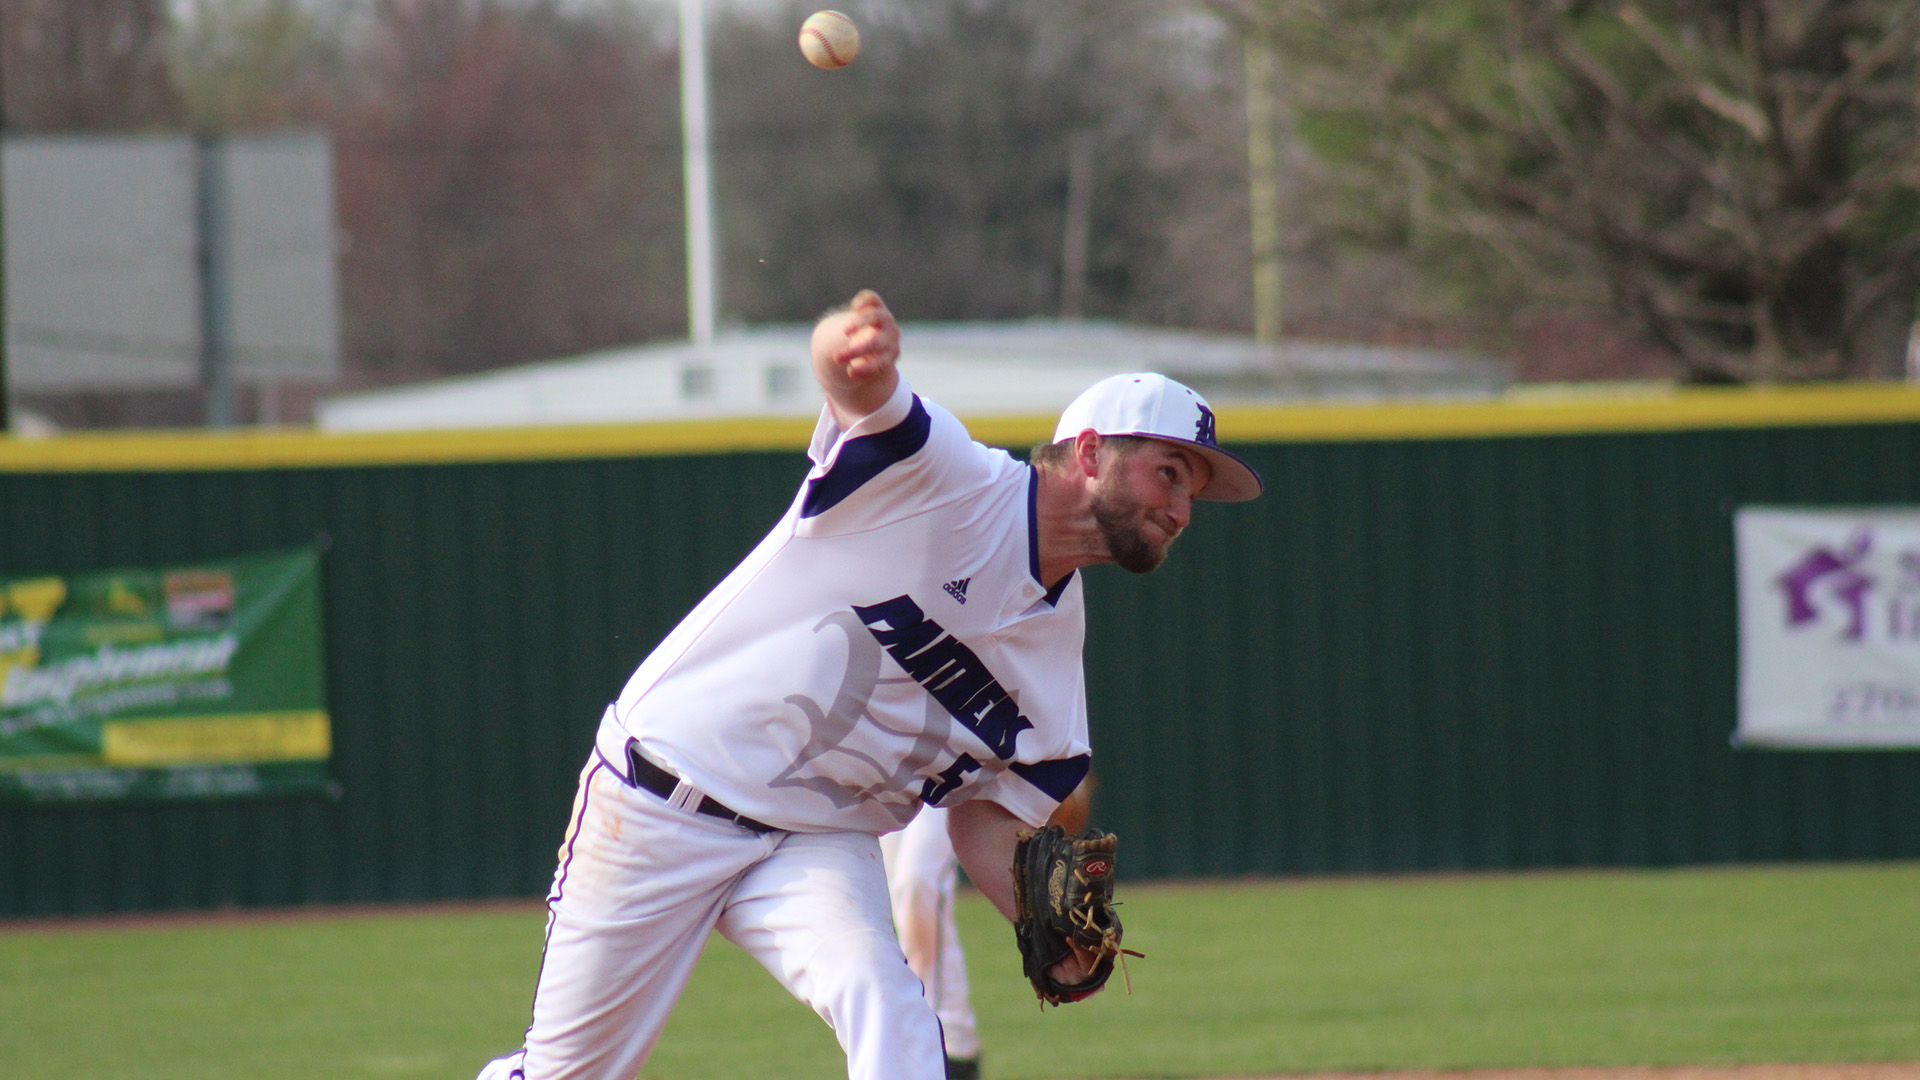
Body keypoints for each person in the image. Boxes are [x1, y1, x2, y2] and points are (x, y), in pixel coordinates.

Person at [477, 289, 1263, 1080]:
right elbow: (857, 390)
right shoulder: (947, 477)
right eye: (1169, 474)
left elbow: (985, 816)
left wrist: (1049, 930)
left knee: (894, 1012)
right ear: (1089, 453)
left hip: (815, 840)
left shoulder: (1054, 655)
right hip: (664, 798)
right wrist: (843, 346)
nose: (1182, 509)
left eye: (1192, 492)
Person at [881, 775, 1093, 1080]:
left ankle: (935, 1044)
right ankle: (956, 1044)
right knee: (899, 901)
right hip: (894, 769)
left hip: (950, 770)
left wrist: (1071, 772)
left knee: (919, 884)